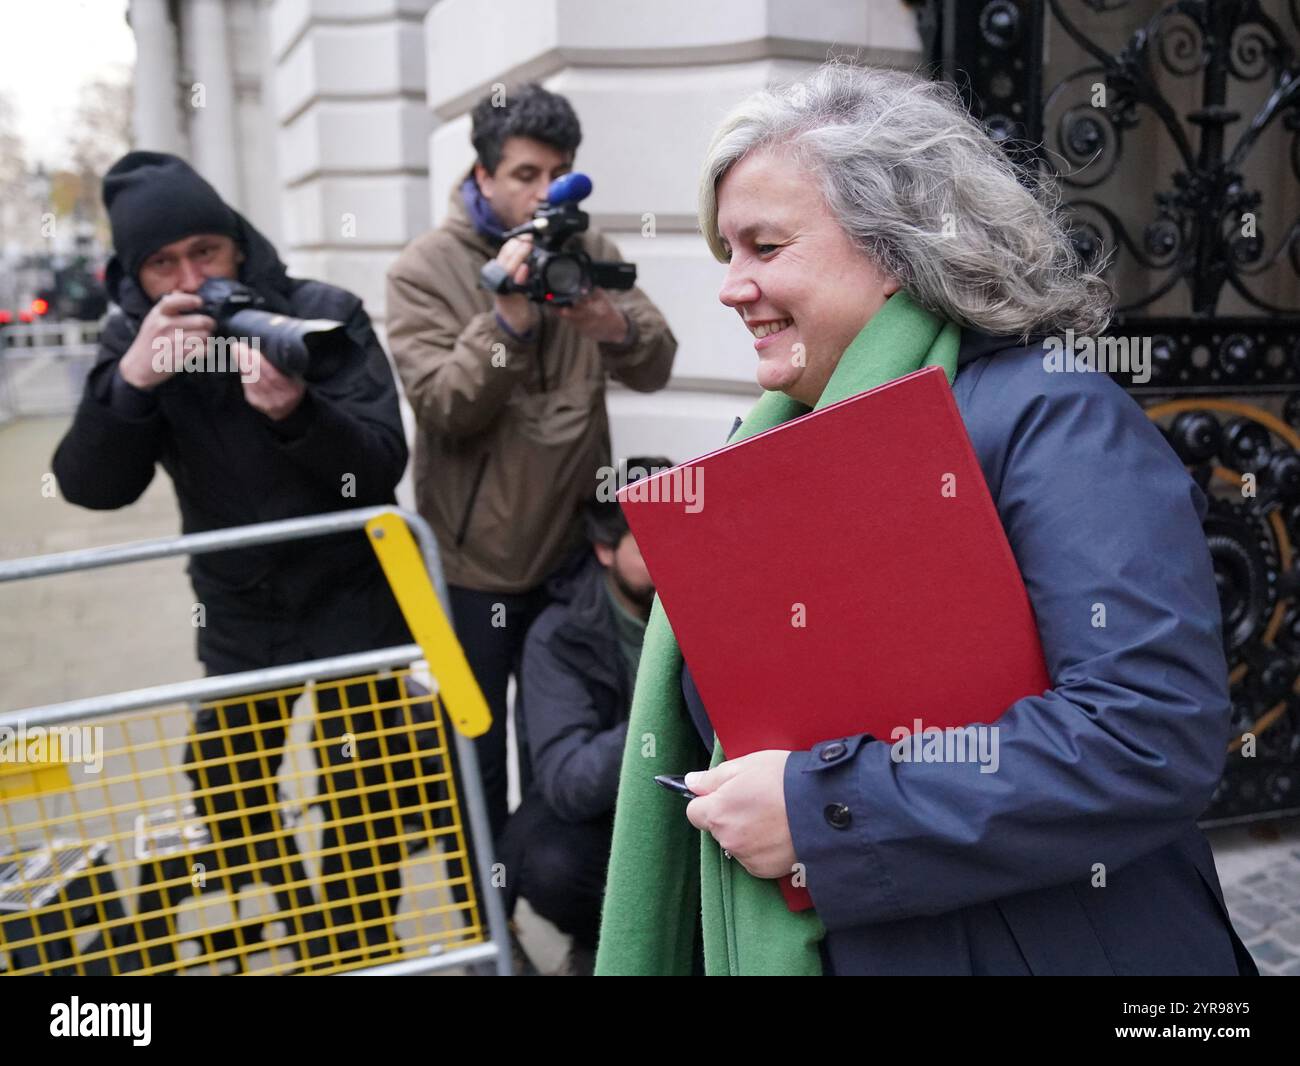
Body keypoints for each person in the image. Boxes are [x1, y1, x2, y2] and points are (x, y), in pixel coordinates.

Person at [596, 64, 1259, 976]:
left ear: (900, 246)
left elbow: (1146, 735)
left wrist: (817, 811)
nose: (731, 287)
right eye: (727, 255)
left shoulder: (1053, 417)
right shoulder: (757, 451)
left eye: (765, 247)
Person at [52, 151, 412, 967]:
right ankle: (307, 921)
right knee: (225, 782)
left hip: (351, 593)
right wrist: (132, 385)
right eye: (163, 263)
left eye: (205, 252)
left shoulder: (322, 313)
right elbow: (89, 487)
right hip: (238, 607)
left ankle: (363, 944)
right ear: (135, 277)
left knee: (366, 789)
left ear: (237, 247)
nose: (189, 276)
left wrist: (298, 412)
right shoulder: (134, 339)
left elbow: (382, 462)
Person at [386, 83, 677, 844]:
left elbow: (657, 362)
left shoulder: (588, 252)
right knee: (471, 759)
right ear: (481, 177)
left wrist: (610, 324)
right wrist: (508, 323)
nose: (545, 192)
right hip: (472, 567)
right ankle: (491, 942)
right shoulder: (425, 269)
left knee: (563, 751)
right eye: (524, 175)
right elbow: (446, 407)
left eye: (560, 172)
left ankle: (573, 910)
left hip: (573, 558)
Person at [497, 458, 665, 975]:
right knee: (551, 864)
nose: (668, 552)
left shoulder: (707, 602)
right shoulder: (559, 634)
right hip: (602, 815)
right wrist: (659, 719)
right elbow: (569, 781)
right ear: (604, 551)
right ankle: (596, 944)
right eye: (648, 540)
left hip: (693, 800)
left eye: (675, 530)